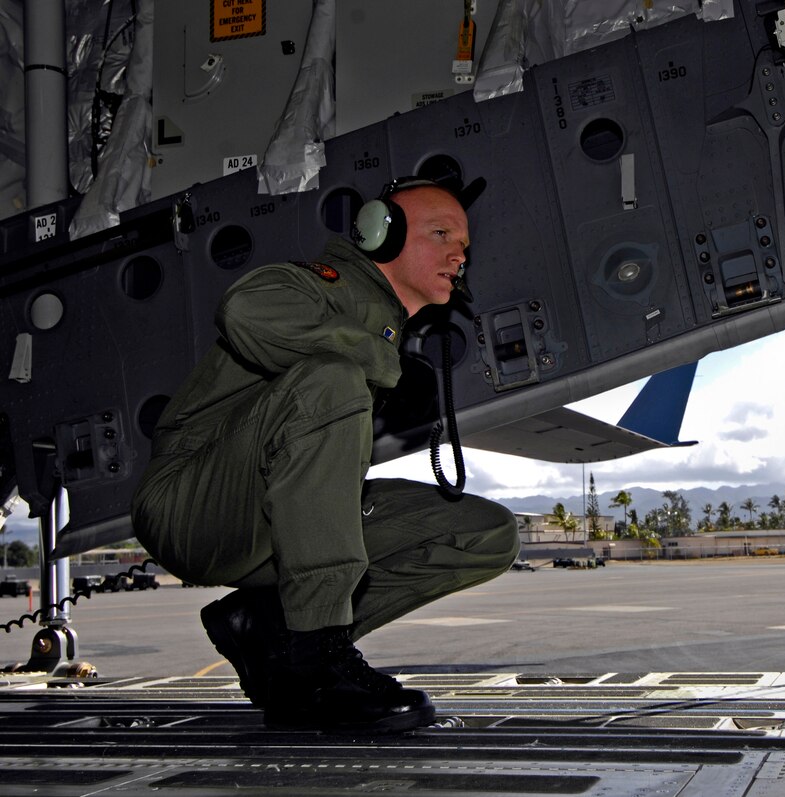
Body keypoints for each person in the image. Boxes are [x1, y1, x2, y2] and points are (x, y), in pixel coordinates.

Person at [131, 178, 520, 732]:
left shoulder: (385, 322)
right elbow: (244, 309)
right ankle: (317, 660)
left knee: (486, 534)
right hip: (192, 504)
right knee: (331, 379)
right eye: (441, 234)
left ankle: (272, 630)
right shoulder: (328, 285)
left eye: (464, 244)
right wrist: (381, 361)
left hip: (269, 521)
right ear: (381, 233)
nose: (459, 254)